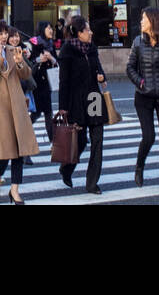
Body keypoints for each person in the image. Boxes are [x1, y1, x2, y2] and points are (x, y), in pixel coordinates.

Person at [0, 19, 38, 204]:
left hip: (17, 104)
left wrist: (20, 63)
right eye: (0, 33)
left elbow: (26, 75)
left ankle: (15, 189)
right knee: (6, 150)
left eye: (6, 33)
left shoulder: (14, 51)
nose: (4, 37)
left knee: (19, 149)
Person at [126, 7, 159, 195]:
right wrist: (140, 82)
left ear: (153, 21)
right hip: (143, 96)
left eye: (144, 18)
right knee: (149, 136)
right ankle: (139, 166)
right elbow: (129, 67)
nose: (141, 22)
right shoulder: (138, 42)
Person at [56, 15, 108, 194]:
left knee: (98, 140)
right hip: (76, 101)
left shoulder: (92, 48)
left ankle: (92, 183)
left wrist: (102, 76)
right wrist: (63, 108)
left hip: (94, 98)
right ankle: (67, 168)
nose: (91, 32)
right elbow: (63, 82)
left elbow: (98, 68)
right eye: (88, 30)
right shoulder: (67, 51)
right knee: (79, 140)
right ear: (79, 33)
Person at [28, 21, 58, 142]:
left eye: (51, 28)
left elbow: (57, 62)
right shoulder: (34, 43)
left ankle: (54, 142)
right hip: (36, 83)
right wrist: (38, 59)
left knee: (47, 113)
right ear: (42, 29)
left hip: (47, 82)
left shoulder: (51, 44)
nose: (51, 30)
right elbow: (28, 62)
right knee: (38, 113)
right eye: (48, 28)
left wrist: (51, 58)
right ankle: (22, 134)